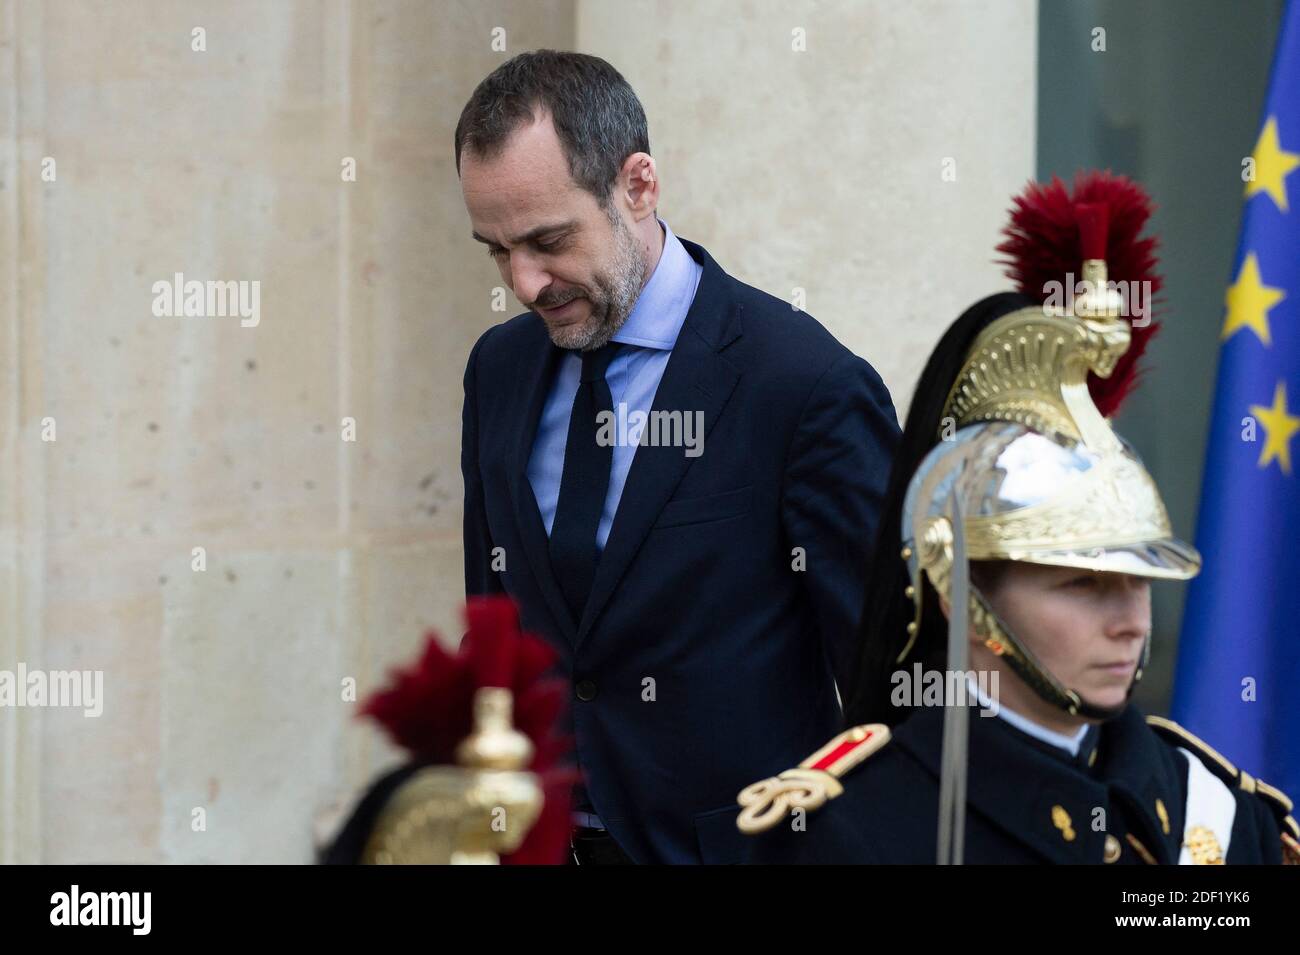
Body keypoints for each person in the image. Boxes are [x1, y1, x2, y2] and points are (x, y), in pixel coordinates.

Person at [739, 172, 1299, 865]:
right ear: (960, 594)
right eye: (1081, 582)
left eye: (1136, 576)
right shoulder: (847, 833)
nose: (1132, 621)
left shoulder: (1220, 816)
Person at [455, 50, 899, 863]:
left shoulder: (804, 385)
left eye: (549, 240)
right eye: (496, 249)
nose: (523, 282)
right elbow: (494, 629)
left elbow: (892, 696)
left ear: (638, 186)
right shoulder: (499, 370)